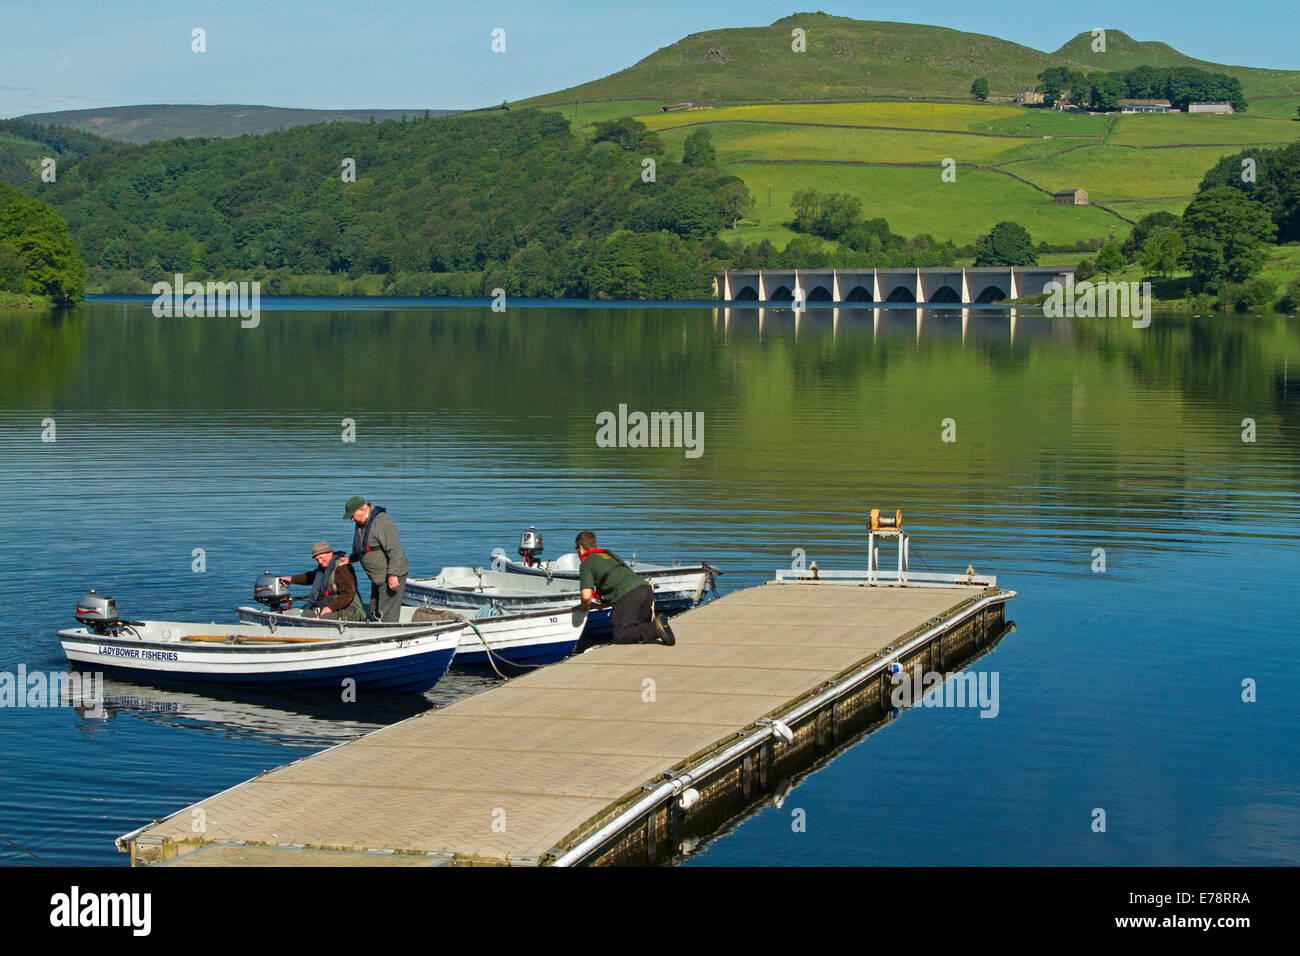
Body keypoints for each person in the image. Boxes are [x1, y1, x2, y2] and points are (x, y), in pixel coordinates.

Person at [576, 530, 675, 646]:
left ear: (580, 547)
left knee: (621, 635)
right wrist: (603, 605)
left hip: (629, 595)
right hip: (645, 589)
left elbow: (586, 596)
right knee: (636, 628)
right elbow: (618, 580)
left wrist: (584, 607)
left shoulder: (587, 562)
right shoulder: (609, 555)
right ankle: (657, 626)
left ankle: (655, 628)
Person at [343, 496, 409, 622]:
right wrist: (351, 559)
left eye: (352, 515)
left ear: (362, 509)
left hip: (390, 576)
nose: (351, 519)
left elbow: (395, 550)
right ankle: (375, 629)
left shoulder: (382, 522)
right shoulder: (361, 522)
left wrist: (393, 574)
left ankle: (389, 637)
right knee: (374, 608)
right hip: (378, 577)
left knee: (385, 613)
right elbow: (363, 546)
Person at [278, 541, 366, 621]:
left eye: (321, 558)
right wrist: (291, 579)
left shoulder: (342, 567)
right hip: (327, 606)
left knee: (323, 618)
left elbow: (348, 593)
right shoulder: (324, 569)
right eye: (317, 559)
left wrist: (330, 608)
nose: (320, 561)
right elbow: (310, 577)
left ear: (330, 553)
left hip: (349, 609)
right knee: (304, 614)